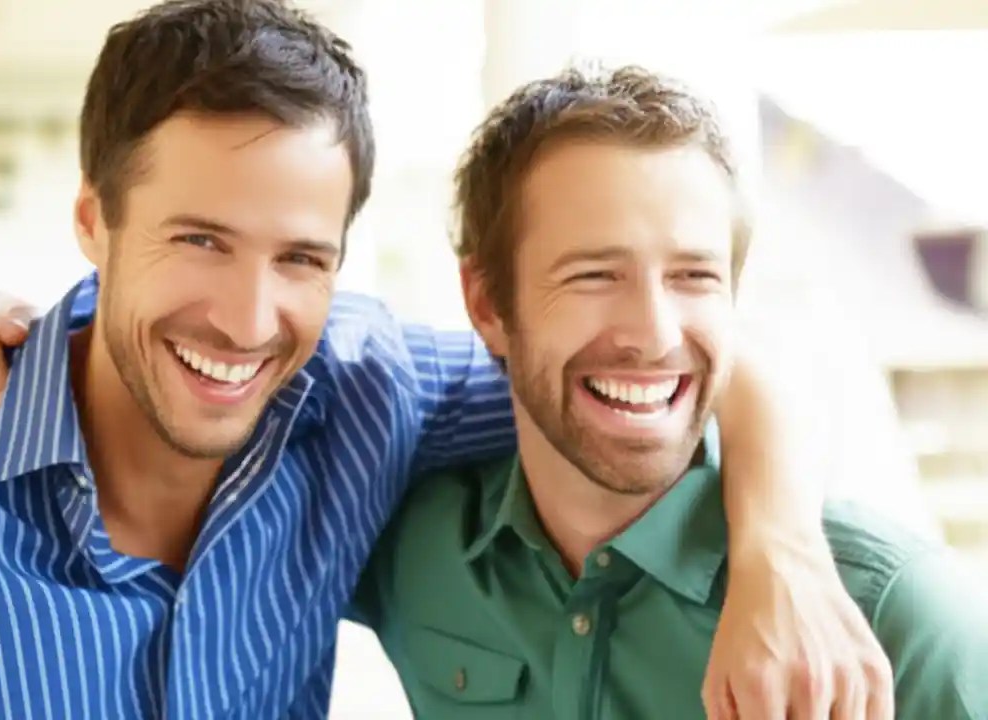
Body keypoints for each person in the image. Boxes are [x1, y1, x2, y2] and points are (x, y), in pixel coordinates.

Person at [0, 1, 885, 718]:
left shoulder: (363, 390)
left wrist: (780, 556)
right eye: (197, 241)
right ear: (91, 224)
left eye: (300, 257)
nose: (248, 316)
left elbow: (659, 358)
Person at [349, 65, 987, 719]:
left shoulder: (901, 620)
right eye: (595, 275)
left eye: (693, 275)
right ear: (486, 303)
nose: (654, 335)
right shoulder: (411, 541)